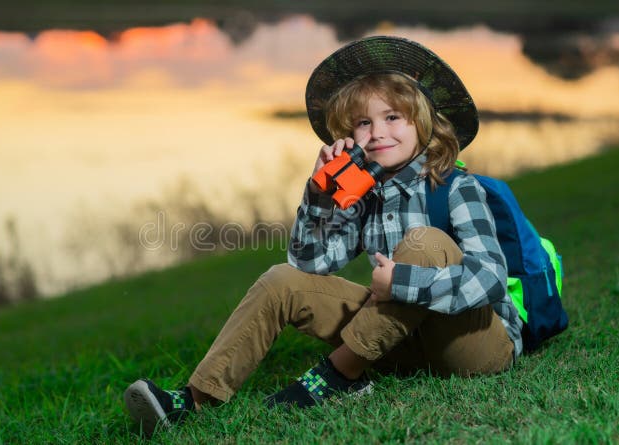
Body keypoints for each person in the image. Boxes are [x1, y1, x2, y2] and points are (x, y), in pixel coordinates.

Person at [124, 35, 523, 434]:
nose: (378, 132)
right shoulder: (365, 196)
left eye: (392, 117)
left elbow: (488, 279)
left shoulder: (456, 188)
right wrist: (320, 195)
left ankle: (341, 374)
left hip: (473, 347)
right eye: (364, 123)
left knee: (425, 243)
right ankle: (194, 399)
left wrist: (400, 281)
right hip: (403, 343)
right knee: (281, 280)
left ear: (421, 122)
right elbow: (309, 264)